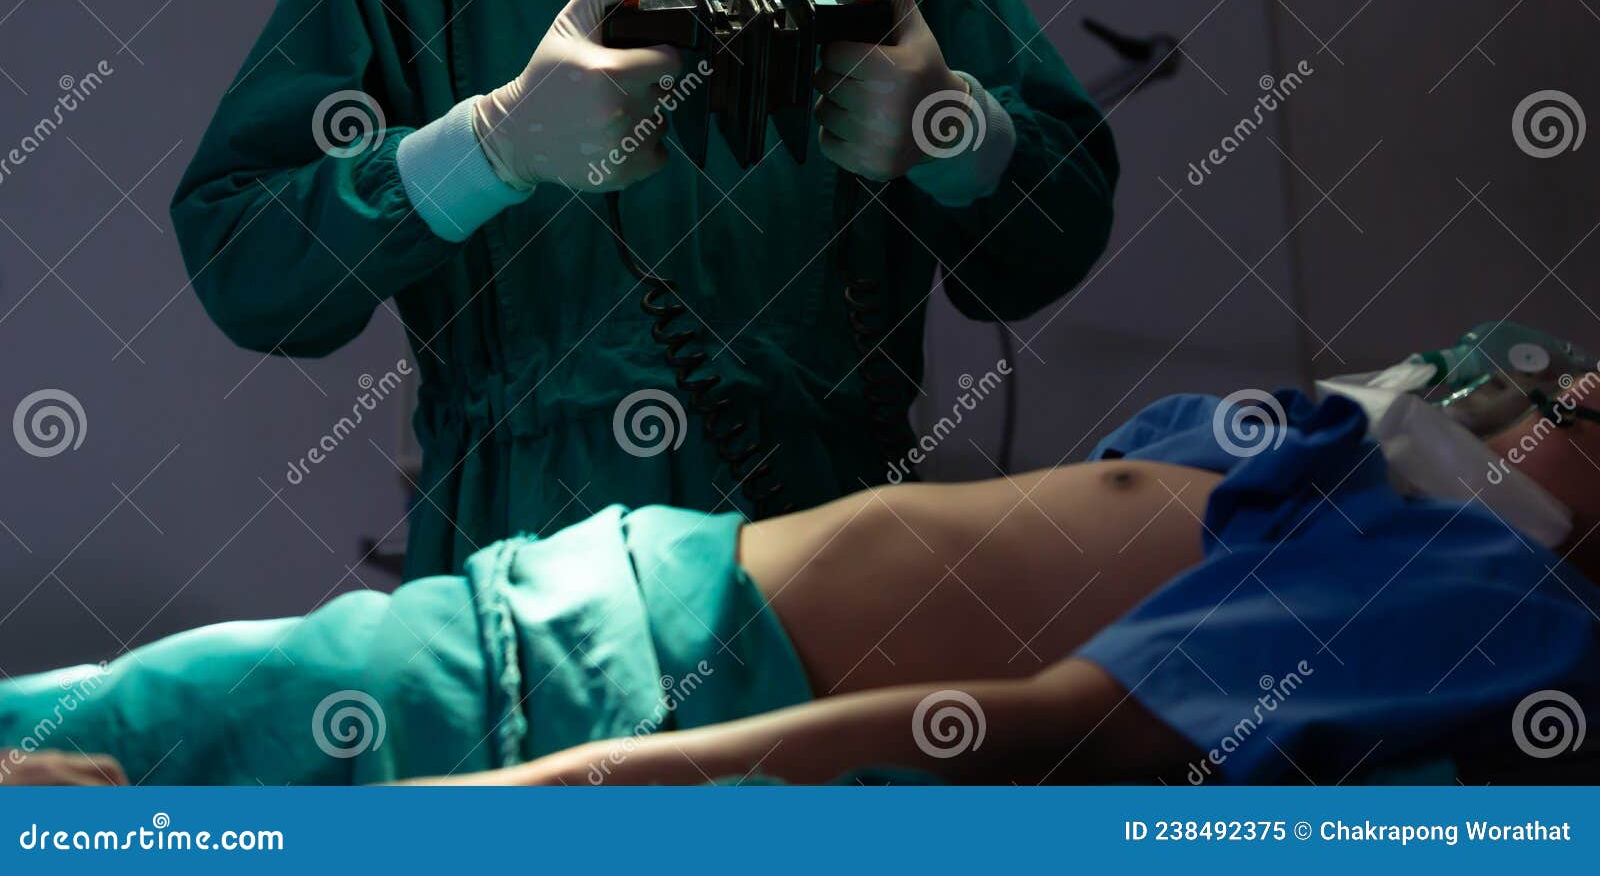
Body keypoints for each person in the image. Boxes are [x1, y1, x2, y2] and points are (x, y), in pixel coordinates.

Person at [168, 0, 1118, 577]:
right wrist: (488, 147)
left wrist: (955, 133)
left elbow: (1056, 235)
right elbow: (247, 265)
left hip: (833, 556)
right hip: (517, 554)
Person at [5, 337, 1598, 786]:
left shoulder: (1491, 600)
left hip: (597, 713)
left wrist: (545, 802)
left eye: (1589, 403)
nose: (1573, 379)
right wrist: (1412, 418)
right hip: (578, 611)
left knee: (96, 768)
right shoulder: (1360, 480)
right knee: (82, 741)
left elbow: (1036, 725)